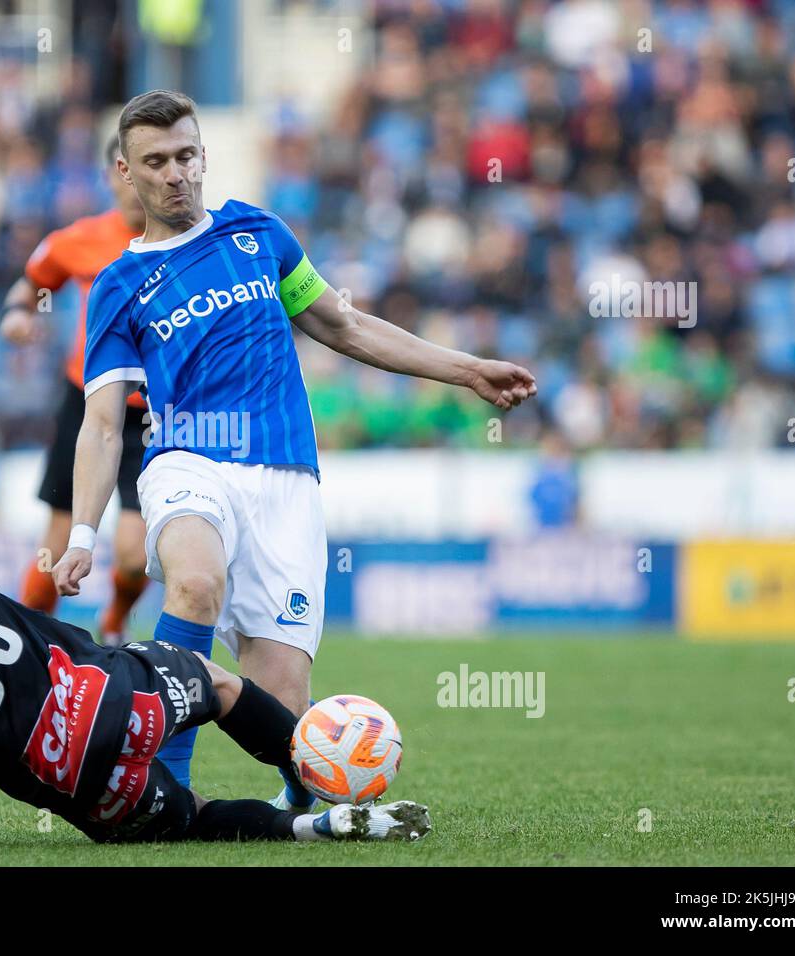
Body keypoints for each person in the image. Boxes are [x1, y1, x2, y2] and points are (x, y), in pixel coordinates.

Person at [53, 90, 537, 806]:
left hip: (286, 479)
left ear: (204, 156)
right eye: (156, 162)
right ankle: (166, 790)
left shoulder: (259, 233)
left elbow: (343, 326)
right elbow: (101, 424)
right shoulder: (118, 286)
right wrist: (82, 533)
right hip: (188, 461)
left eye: (187, 155)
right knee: (193, 583)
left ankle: (305, 801)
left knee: (284, 707)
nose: (176, 173)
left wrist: (467, 370)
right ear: (127, 172)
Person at [0, 395, 432, 845]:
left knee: (187, 821)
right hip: (106, 696)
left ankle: (312, 829)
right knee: (217, 687)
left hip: (69, 777)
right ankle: (313, 776)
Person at [0, 135, 150, 646]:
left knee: (136, 552)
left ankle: (113, 624)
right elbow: (35, 282)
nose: (134, 183)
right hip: (87, 406)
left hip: (152, 415)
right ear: (112, 175)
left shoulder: (186, 243)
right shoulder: (78, 240)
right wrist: (19, 313)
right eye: (124, 170)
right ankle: (26, 642)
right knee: (57, 543)